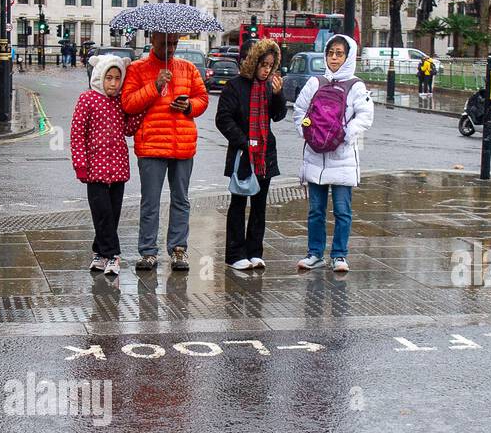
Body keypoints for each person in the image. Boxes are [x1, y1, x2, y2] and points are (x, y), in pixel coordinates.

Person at [120, 31, 209, 271]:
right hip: (151, 145)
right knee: (150, 202)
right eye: (165, 44)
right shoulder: (138, 69)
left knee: (181, 200)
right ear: (153, 41)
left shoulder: (188, 68)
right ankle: (148, 251)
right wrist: (155, 85)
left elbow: (202, 98)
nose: (170, 49)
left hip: (182, 144)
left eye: (174, 44)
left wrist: (188, 105)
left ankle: (178, 249)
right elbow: (128, 103)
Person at [293, 34, 373, 273]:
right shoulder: (315, 83)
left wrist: (346, 134)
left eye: (339, 53)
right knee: (316, 210)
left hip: (343, 158)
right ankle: (315, 253)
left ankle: (339, 254)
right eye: (331, 53)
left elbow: (365, 116)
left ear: (348, 56)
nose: (334, 57)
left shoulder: (356, 86)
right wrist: (307, 132)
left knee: (342, 210)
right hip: (316, 155)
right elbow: (299, 111)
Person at [215, 39, 287, 270]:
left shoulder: (268, 86)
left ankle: (255, 251)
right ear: (253, 63)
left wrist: (278, 95)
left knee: (259, 204)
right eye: (263, 64)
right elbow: (223, 118)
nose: (267, 69)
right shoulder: (235, 86)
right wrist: (243, 142)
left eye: (270, 65)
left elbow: (278, 115)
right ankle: (235, 253)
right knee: (238, 201)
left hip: (265, 153)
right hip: (243, 152)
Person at [71, 55, 143, 278]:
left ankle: (99, 252)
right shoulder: (87, 99)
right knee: (101, 214)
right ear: (99, 77)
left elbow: (129, 129)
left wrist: (141, 109)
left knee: (112, 214)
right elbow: (77, 134)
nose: (113, 83)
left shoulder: (121, 101)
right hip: (94, 171)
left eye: (117, 78)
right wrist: (80, 165)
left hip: (118, 169)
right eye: (109, 78)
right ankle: (113, 255)